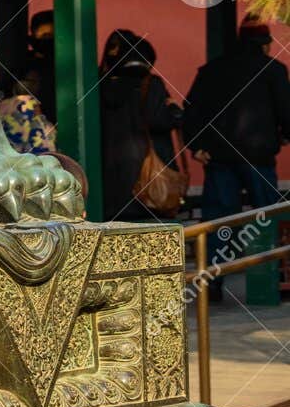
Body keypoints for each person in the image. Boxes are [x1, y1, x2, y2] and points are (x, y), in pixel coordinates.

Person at [183, 21, 290, 295]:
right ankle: (265, 285)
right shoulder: (274, 70)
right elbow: (285, 110)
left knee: (218, 221)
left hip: (218, 156)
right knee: (264, 217)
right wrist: (284, 134)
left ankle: (212, 283)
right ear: (264, 45)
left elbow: (192, 109)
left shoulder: (212, 70)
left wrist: (196, 145)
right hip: (258, 156)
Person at [100, 32, 185, 222]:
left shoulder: (102, 84)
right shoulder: (151, 84)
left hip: (111, 184)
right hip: (147, 180)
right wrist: (175, 111)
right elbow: (159, 121)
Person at [21, 11, 57, 121]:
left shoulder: (66, 65)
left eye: (54, 36)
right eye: (46, 36)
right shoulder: (22, 65)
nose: (49, 41)